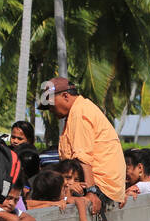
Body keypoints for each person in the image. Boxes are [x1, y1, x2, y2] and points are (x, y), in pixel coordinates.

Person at [41, 76, 126, 210]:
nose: (50, 110)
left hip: (99, 189)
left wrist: (92, 192)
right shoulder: (81, 108)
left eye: (50, 104)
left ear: (65, 96)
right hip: (105, 188)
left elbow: (83, 157)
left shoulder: (79, 113)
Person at [26, 168, 94, 221]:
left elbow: (80, 200)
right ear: (54, 192)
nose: (67, 187)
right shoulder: (40, 203)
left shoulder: (64, 200)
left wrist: (83, 220)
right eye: (64, 187)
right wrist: (51, 204)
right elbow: (26, 205)